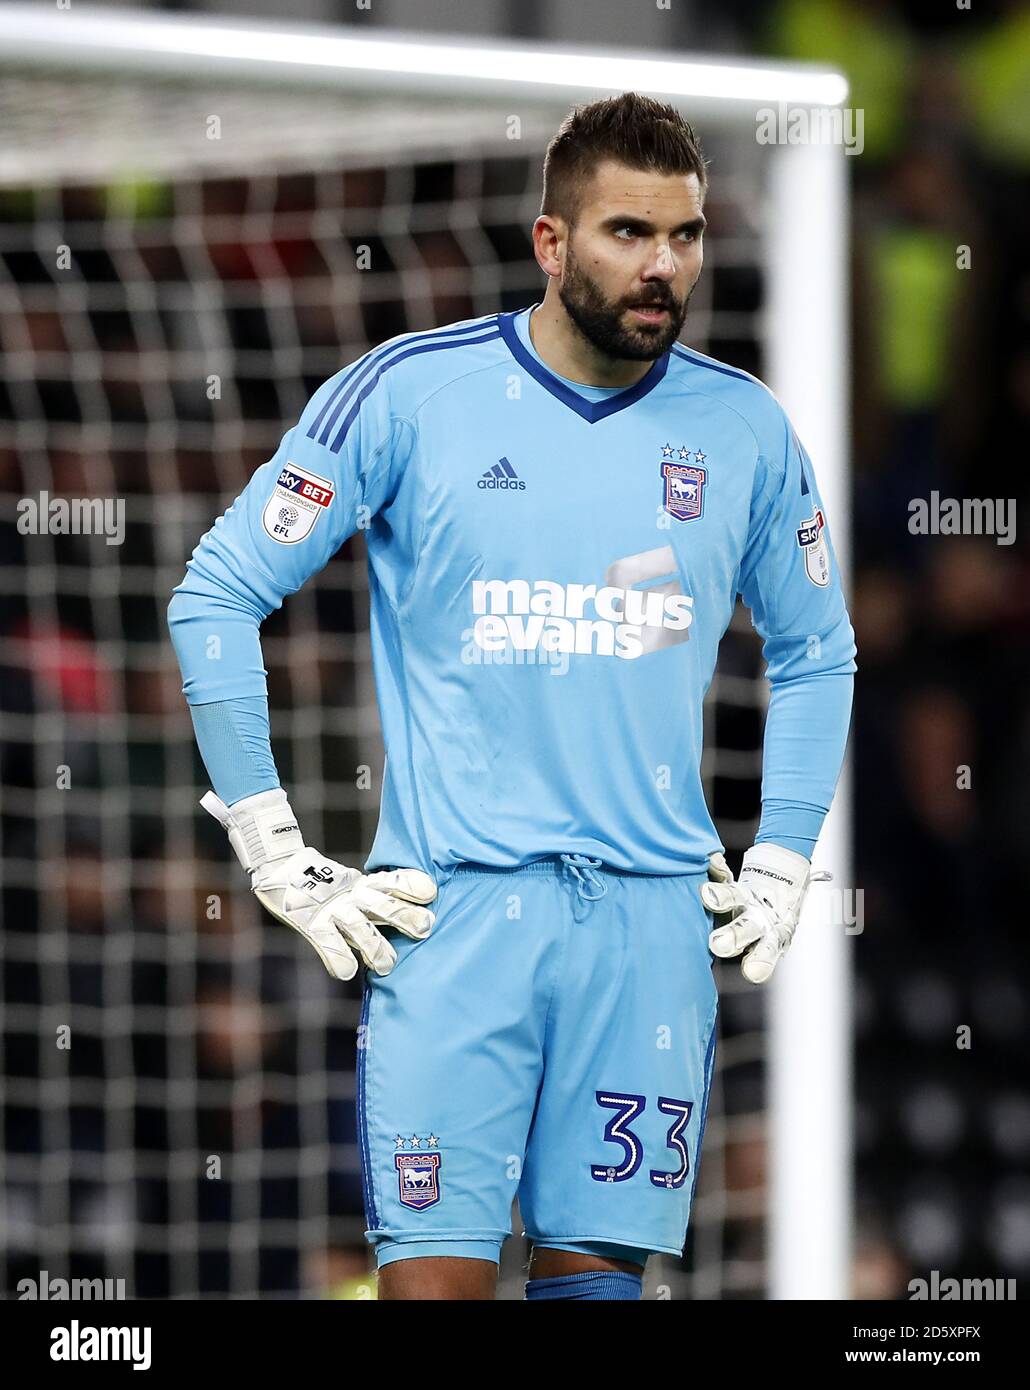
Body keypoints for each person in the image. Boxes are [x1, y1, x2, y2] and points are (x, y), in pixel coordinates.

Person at [168, 92, 856, 1301]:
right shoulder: (406, 394)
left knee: (596, 1293)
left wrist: (788, 850)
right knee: (435, 1287)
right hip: (455, 921)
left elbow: (818, 649)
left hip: (649, 930)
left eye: (684, 236)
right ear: (551, 242)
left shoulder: (745, 429)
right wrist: (272, 844)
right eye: (627, 233)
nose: (663, 267)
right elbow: (214, 595)